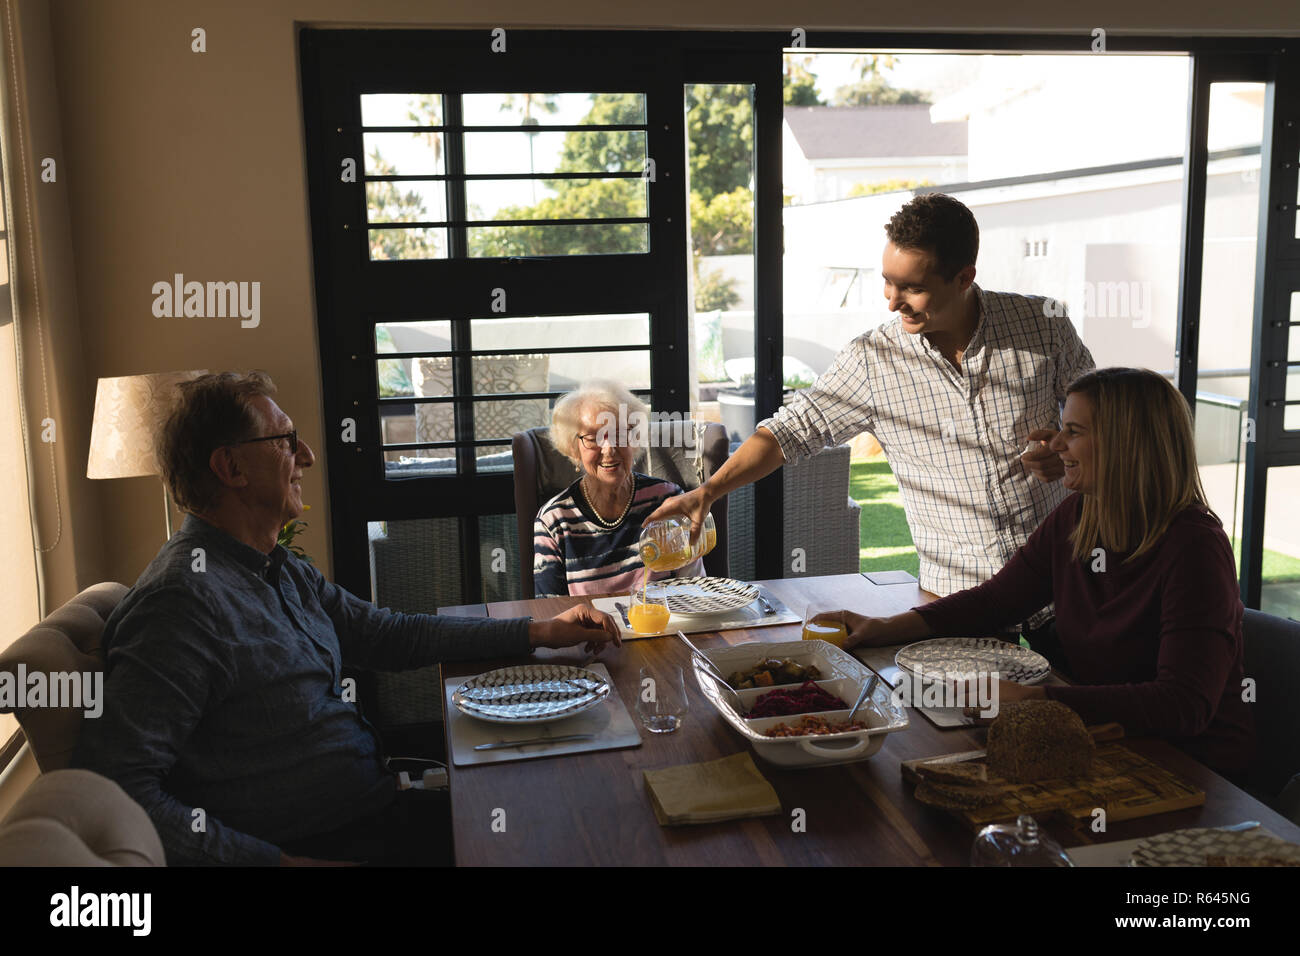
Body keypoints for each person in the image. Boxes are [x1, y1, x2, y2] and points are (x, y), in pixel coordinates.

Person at [75, 371, 620, 866]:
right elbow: (117, 791)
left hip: (375, 810)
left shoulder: (276, 566)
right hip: (327, 845)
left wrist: (538, 630)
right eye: (285, 441)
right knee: (566, 839)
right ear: (230, 466)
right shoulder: (181, 604)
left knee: (572, 811)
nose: (307, 455)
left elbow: (387, 634)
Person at [648, 193, 1095, 638]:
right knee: (971, 710)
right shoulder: (872, 359)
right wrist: (707, 491)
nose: (892, 300)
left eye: (913, 288)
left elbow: (1105, 420)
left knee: (1083, 704)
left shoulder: (1043, 325)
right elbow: (787, 432)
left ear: (963, 278)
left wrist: (1070, 452)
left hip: (1065, 583)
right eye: (888, 281)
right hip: (957, 603)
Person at [826, 368, 1254, 776]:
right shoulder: (1079, 515)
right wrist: (885, 627)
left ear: (1127, 444)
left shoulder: (1194, 548)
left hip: (1190, 771)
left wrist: (1038, 698)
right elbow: (998, 600)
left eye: (1074, 432)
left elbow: (1182, 705)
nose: (1056, 445)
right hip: (1101, 741)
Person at [534, 380, 704, 597]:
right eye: (594, 437)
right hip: (588, 631)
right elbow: (552, 614)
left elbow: (695, 592)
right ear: (573, 448)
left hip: (664, 628)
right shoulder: (553, 521)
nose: (609, 449)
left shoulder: (669, 501)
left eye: (620, 434)